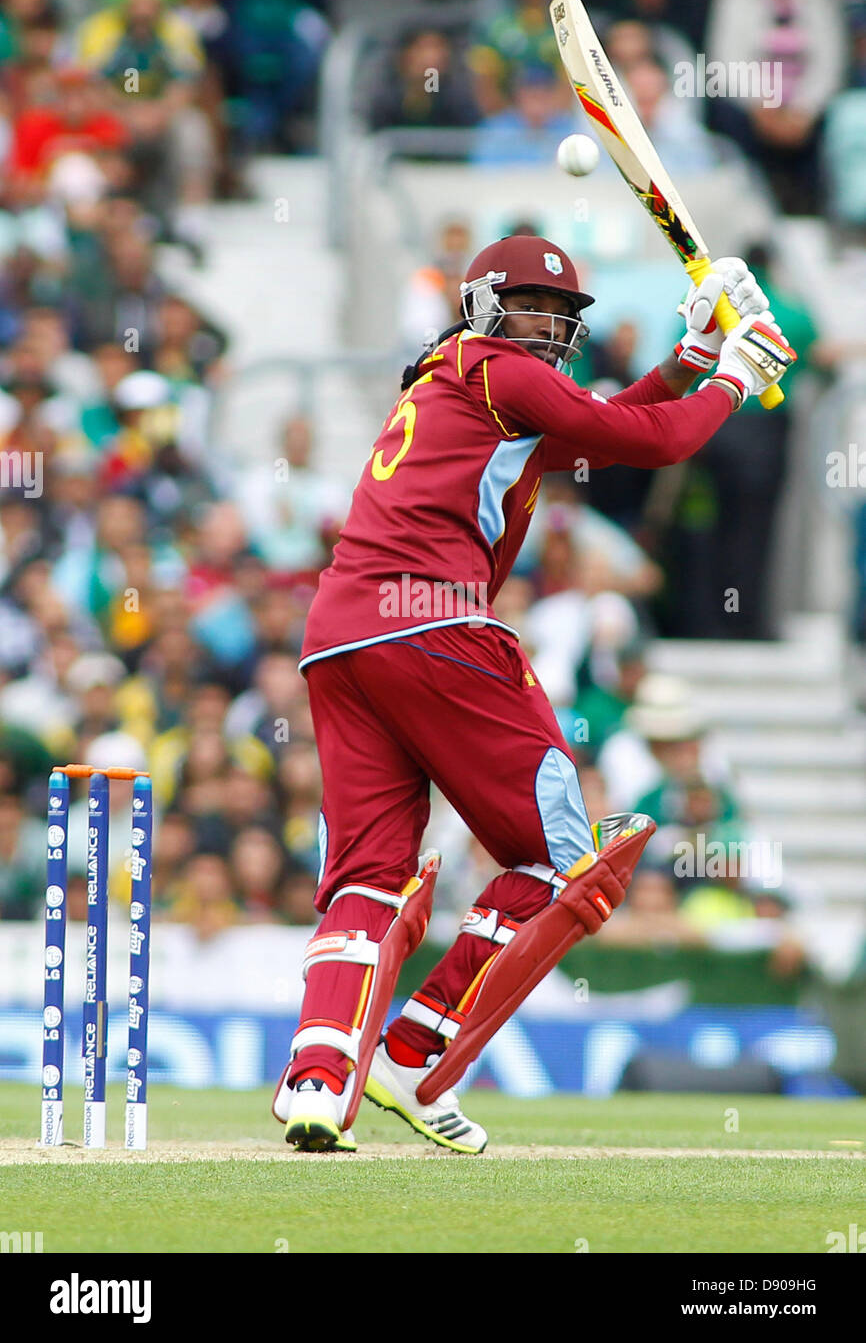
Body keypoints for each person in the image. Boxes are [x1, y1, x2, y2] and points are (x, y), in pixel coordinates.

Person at [272, 233, 795, 1154]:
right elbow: (658, 441)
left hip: (343, 632)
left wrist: (696, 355)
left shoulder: (463, 383)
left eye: (560, 317)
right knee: (563, 860)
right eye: (530, 309)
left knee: (369, 875)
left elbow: (612, 427)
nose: (548, 328)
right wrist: (737, 380)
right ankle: (416, 1055)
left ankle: (318, 1081)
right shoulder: (499, 372)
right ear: (480, 305)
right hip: (433, 621)